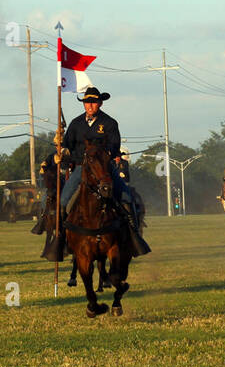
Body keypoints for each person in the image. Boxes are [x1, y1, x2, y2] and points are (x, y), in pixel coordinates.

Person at [34, 86, 148, 255]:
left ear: (100, 103)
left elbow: (114, 145)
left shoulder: (109, 123)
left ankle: (134, 236)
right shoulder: (76, 123)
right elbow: (67, 146)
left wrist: (103, 155)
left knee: (125, 196)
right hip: (81, 168)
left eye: (94, 102)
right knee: (63, 200)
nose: (90, 105)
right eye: (87, 102)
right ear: (84, 104)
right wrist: (61, 149)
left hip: (105, 169)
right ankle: (61, 239)